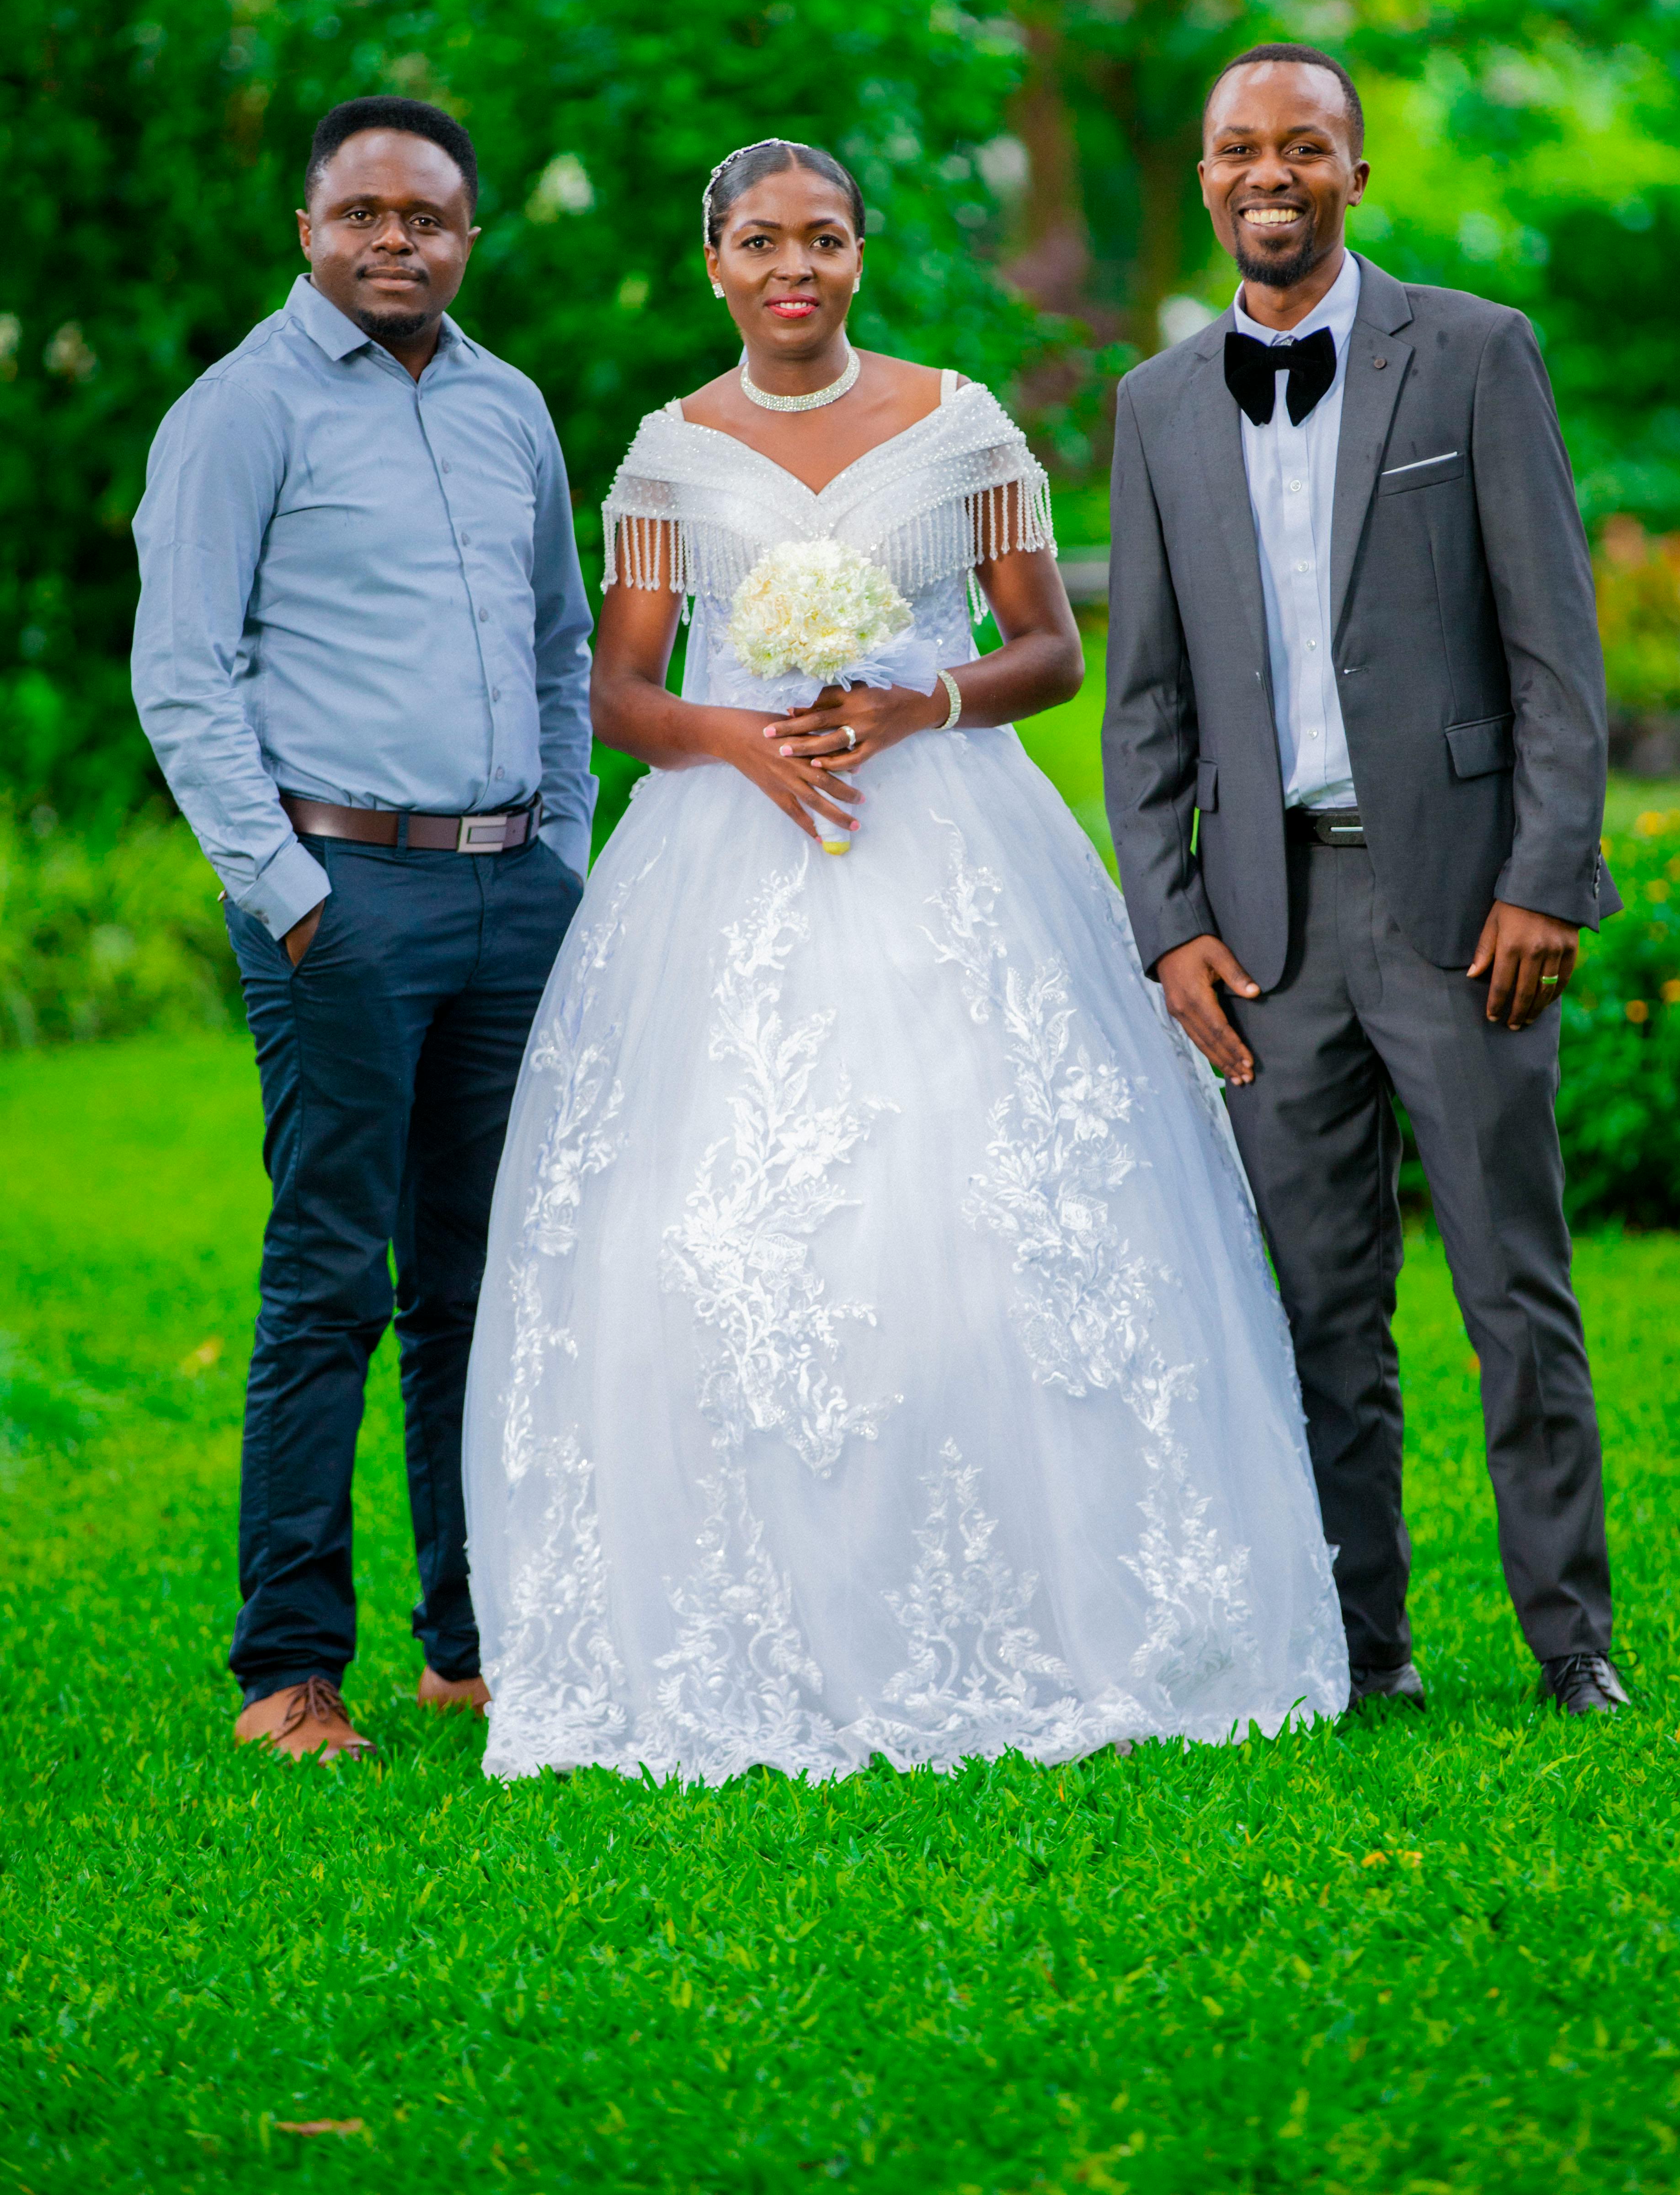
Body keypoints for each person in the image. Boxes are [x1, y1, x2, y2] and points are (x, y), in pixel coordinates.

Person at [462, 138, 1348, 1782]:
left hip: (950, 840)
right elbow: (624, 699)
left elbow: (1047, 653)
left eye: (823, 239)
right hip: (728, 862)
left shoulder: (962, 427)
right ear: (713, 262)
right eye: (757, 242)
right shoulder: (667, 456)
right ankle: (762, 1621)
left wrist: (909, 701)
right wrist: (747, 737)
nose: (792, 268)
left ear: (861, 255)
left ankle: (1040, 1607)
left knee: (995, 1219)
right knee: (722, 1230)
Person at [1104, 44, 1629, 1719]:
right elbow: (1149, 704)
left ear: (1355, 172)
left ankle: (1571, 1643)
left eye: (1305, 148)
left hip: (1465, 908)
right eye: (1240, 150)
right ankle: (1362, 1648)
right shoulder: (1157, 405)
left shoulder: (1474, 354)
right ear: (1205, 179)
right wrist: (1173, 926)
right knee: (1317, 1311)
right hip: (1266, 930)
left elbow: (1558, 647)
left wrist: (1546, 877)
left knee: (1510, 1289)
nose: (1272, 174)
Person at [132, 96, 594, 1763]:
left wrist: (563, 848)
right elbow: (182, 673)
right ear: (308, 230)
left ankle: (469, 1648)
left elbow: (561, 647)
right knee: (332, 1276)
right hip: (341, 898)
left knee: (484, 1284)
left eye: (429, 218)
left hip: (509, 895)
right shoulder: (238, 413)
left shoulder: (511, 410)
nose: (397, 241)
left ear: (470, 236)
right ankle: (287, 1671)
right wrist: (292, 892)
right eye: (365, 215)